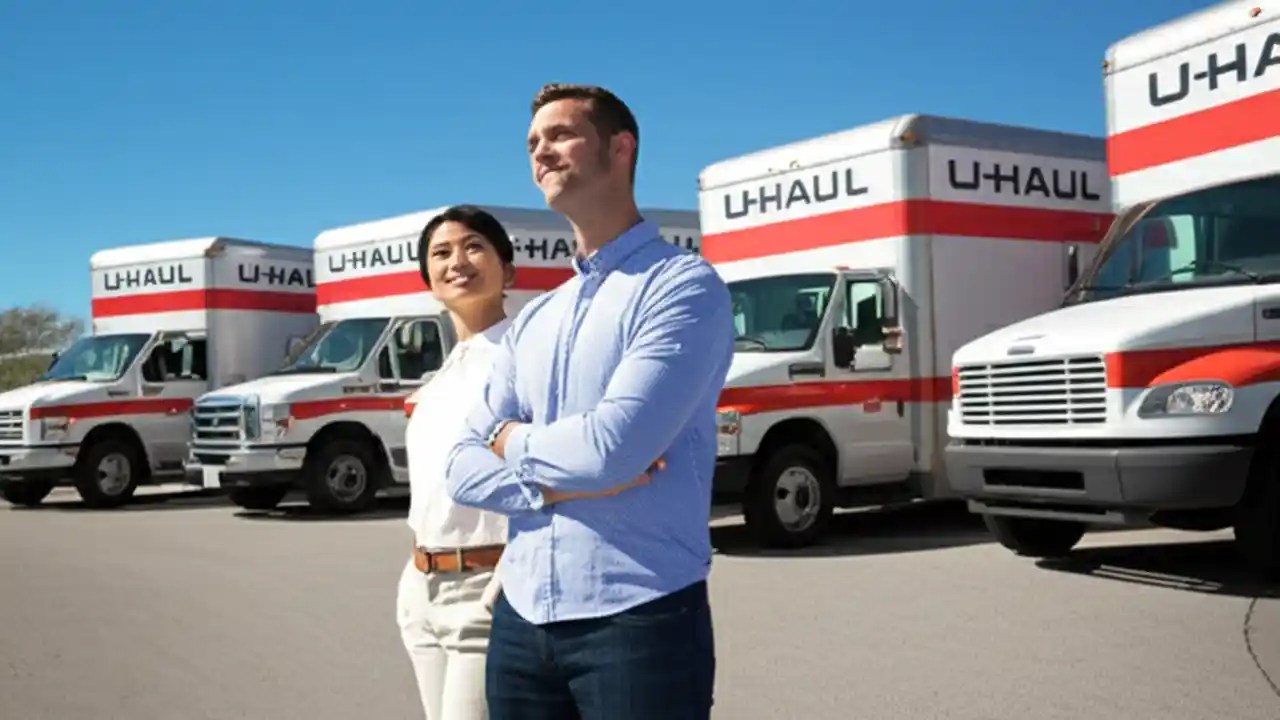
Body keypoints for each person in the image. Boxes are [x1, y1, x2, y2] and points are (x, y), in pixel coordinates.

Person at [444, 83, 735, 719]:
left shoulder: (682, 287)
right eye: (532, 142)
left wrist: (510, 441)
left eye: (560, 135)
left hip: (639, 617)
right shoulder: (537, 317)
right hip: (521, 618)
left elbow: (611, 448)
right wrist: (553, 487)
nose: (540, 152)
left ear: (620, 148)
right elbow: (459, 467)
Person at [396, 203, 651, 720]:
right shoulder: (440, 378)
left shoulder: (527, 357)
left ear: (507, 271)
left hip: (486, 588)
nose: (457, 261)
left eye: (474, 247)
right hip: (422, 589)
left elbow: (568, 461)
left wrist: (507, 577)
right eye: (441, 253)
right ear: (428, 282)